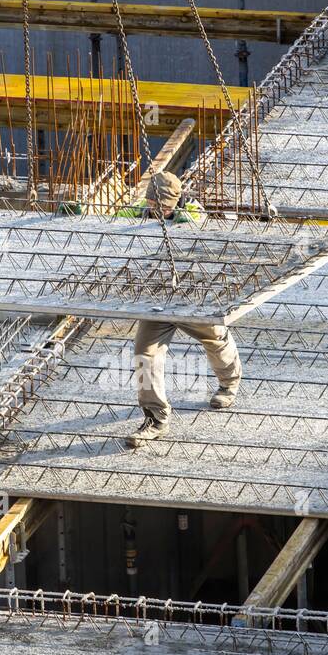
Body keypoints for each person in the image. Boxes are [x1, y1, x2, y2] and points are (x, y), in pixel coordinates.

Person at [120, 171, 242, 449]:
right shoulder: (139, 213)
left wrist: (182, 223)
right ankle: (156, 418)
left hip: (192, 296)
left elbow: (202, 228)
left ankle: (228, 384)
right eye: (153, 204)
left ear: (175, 201)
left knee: (216, 337)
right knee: (144, 354)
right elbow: (112, 222)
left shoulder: (192, 212)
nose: (157, 211)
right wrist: (75, 213)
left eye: (163, 206)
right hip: (158, 300)